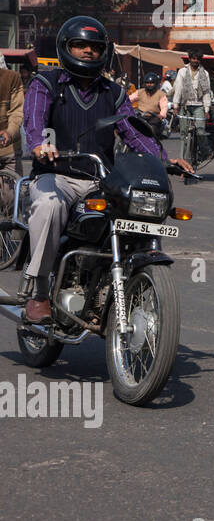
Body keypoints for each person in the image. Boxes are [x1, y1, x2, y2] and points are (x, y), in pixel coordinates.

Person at [20, 17, 193, 322]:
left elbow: (133, 131)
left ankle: (117, 285)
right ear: (66, 47)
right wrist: (39, 144)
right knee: (49, 206)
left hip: (100, 179)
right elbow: (34, 121)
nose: (87, 51)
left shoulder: (112, 92)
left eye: (95, 47)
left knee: (136, 213)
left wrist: (165, 160)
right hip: (55, 175)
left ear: (104, 53)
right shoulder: (45, 83)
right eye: (80, 44)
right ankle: (40, 291)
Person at [173, 55, 212, 180]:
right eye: (193, 58)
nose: (195, 61)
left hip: (199, 105)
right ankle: (183, 165)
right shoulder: (182, 72)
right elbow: (178, 88)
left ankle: (205, 152)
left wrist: (207, 109)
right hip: (185, 105)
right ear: (189, 59)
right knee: (184, 134)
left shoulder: (204, 73)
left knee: (200, 130)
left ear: (200, 60)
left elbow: (206, 92)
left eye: (197, 59)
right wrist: (175, 105)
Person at [0, 60, 23, 212]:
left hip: (9, 151)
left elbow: (17, 112)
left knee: (12, 204)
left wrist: (9, 131)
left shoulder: (12, 78)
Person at [129, 72, 169, 139]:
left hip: (154, 117)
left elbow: (164, 106)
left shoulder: (160, 94)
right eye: (147, 83)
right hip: (141, 115)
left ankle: (152, 145)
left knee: (152, 131)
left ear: (155, 84)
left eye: (151, 83)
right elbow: (129, 99)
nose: (149, 85)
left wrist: (161, 115)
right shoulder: (140, 92)